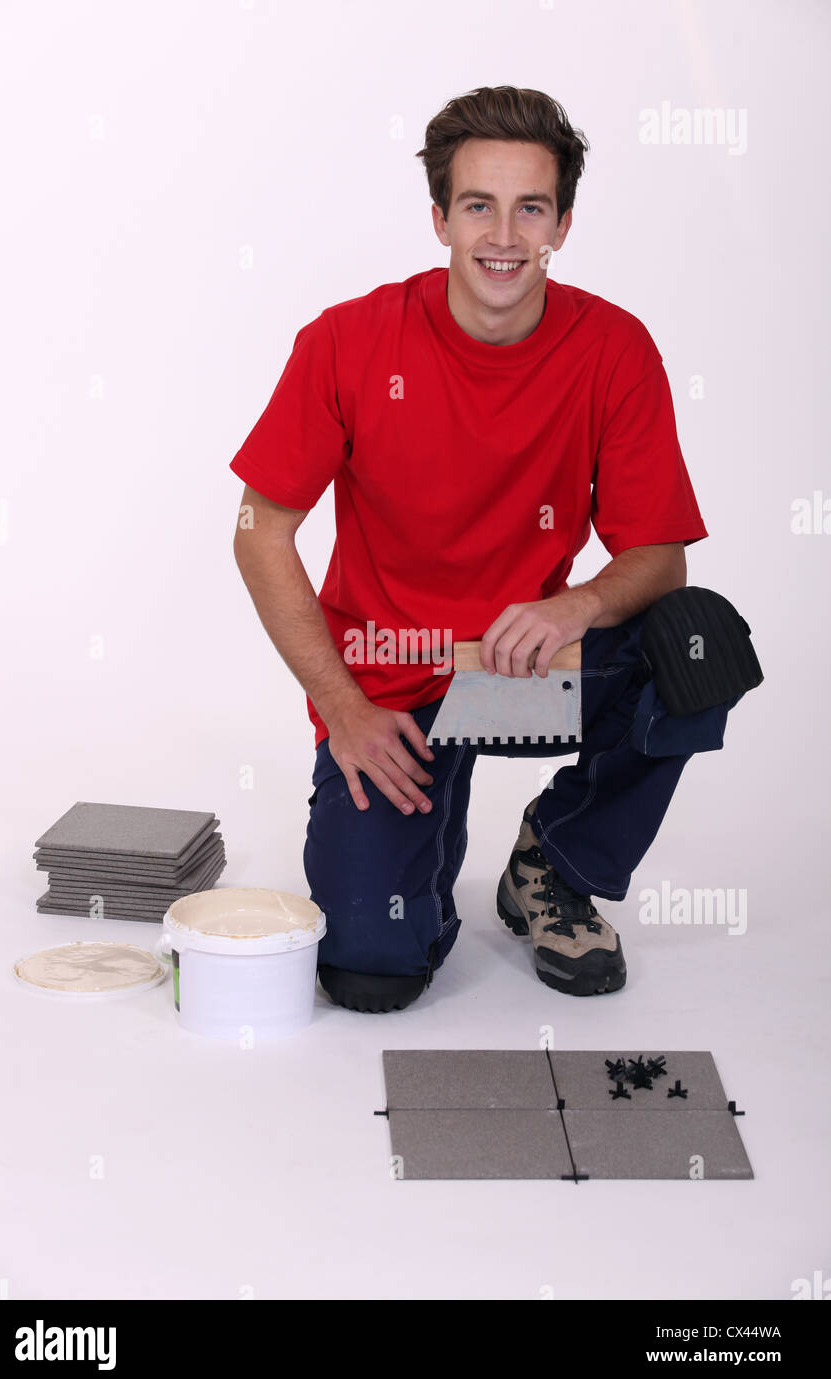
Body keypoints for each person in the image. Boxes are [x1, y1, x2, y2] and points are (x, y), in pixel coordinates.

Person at [231, 84, 732, 1014]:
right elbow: (259, 531)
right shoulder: (348, 341)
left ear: (562, 225)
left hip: (519, 675)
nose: (504, 235)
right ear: (440, 218)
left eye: (529, 208)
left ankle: (556, 860)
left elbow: (660, 558)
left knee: (698, 639)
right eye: (478, 205)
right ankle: (422, 835)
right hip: (388, 683)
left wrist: (574, 603)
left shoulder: (615, 350)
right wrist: (341, 707)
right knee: (369, 973)